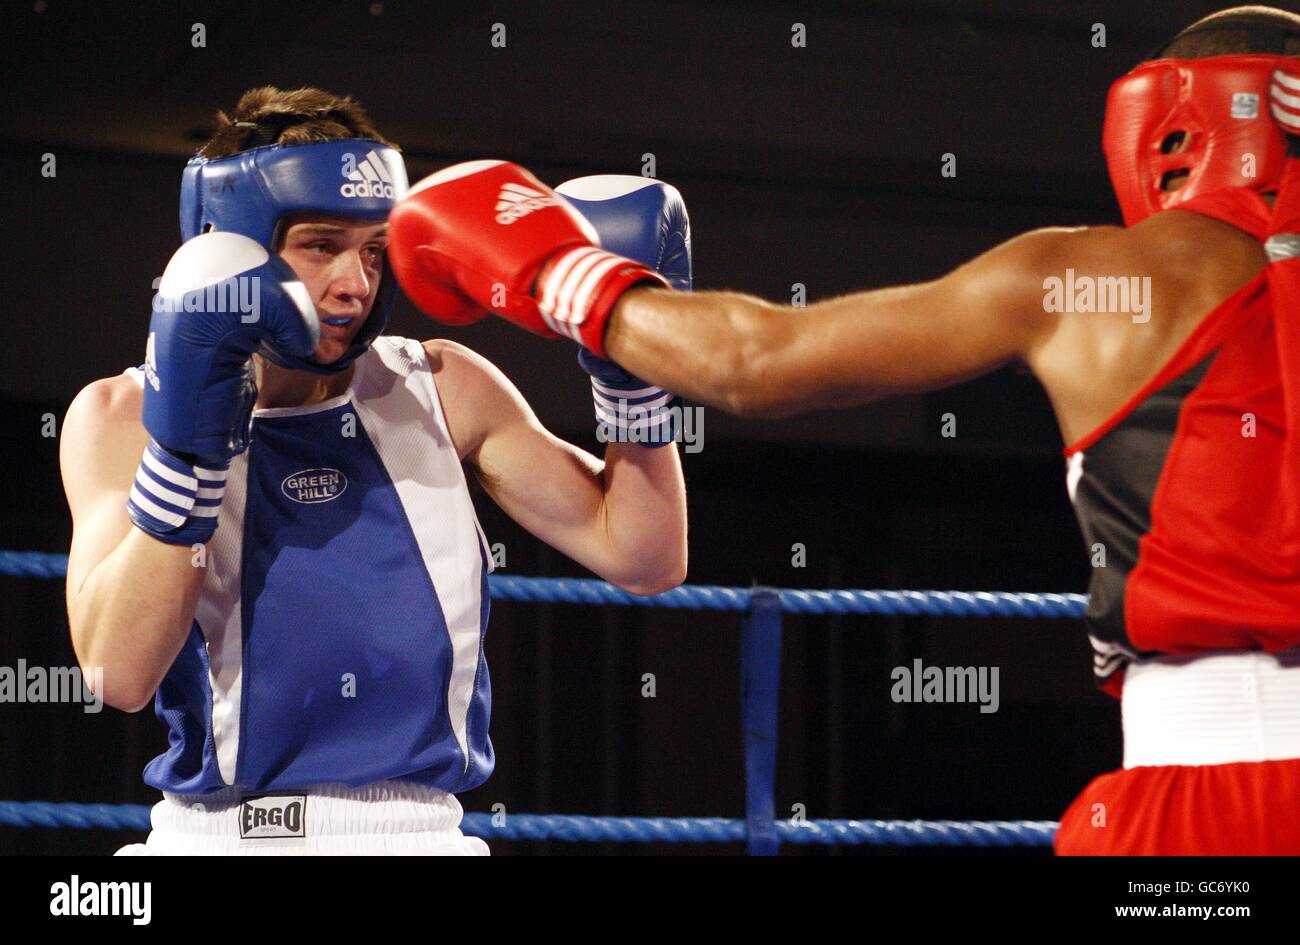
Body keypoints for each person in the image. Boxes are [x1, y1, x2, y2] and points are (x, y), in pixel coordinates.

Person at [385, 7, 1300, 854]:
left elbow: (759, 361)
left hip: (1210, 798)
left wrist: (556, 271)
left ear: (1170, 131)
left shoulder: (1095, 279)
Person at [58, 86, 688, 855]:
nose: (356, 283)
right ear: (229, 240)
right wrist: (188, 449)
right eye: (321, 245)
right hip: (209, 838)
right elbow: (118, 672)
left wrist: (632, 379)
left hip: (413, 837)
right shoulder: (118, 416)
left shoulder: (442, 386)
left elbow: (645, 555)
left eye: (375, 250)